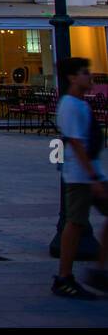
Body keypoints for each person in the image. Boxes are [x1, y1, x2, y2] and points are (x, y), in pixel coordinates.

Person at [53, 56, 108, 297]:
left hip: (91, 173)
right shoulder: (70, 105)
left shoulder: (81, 104)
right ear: (72, 77)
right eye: (85, 72)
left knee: (75, 223)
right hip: (80, 176)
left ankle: (99, 269)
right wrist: (93, 177)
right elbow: (75, 143)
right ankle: (65, 277)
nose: (90, 76)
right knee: (74, 223)